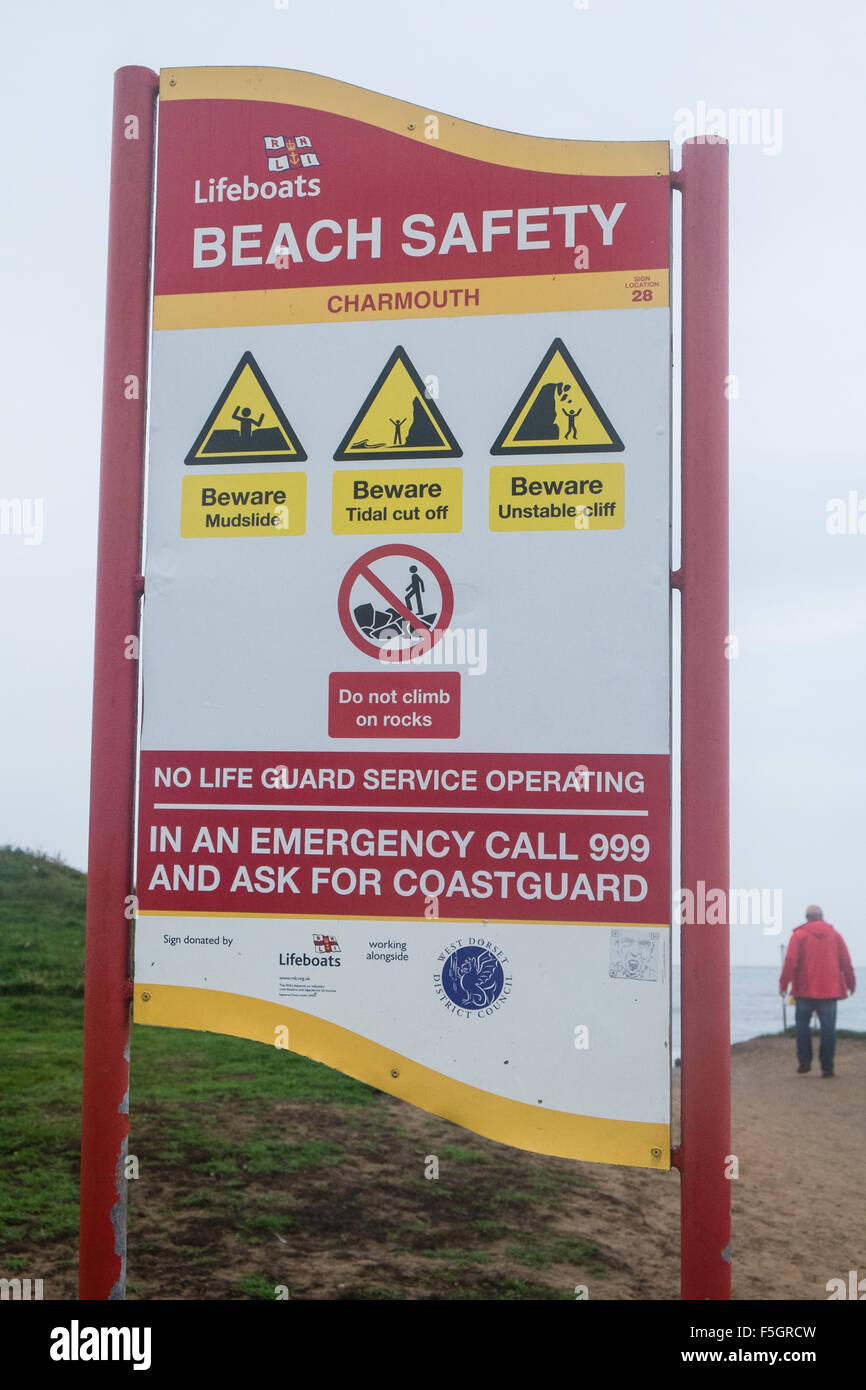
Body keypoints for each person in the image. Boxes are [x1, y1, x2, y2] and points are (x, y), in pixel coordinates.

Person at [779, 906, 856, 1077]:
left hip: (804, 991)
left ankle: (805, 1061)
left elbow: (790, 962)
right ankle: (827, 1068)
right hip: (829, 992)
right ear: (822, 917)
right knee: (828, 1030)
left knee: (802, 1027)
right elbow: (846, 962)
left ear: (807, 918)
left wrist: (783, 984)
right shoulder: (835, 936)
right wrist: (851, 983)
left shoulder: (799, 936)